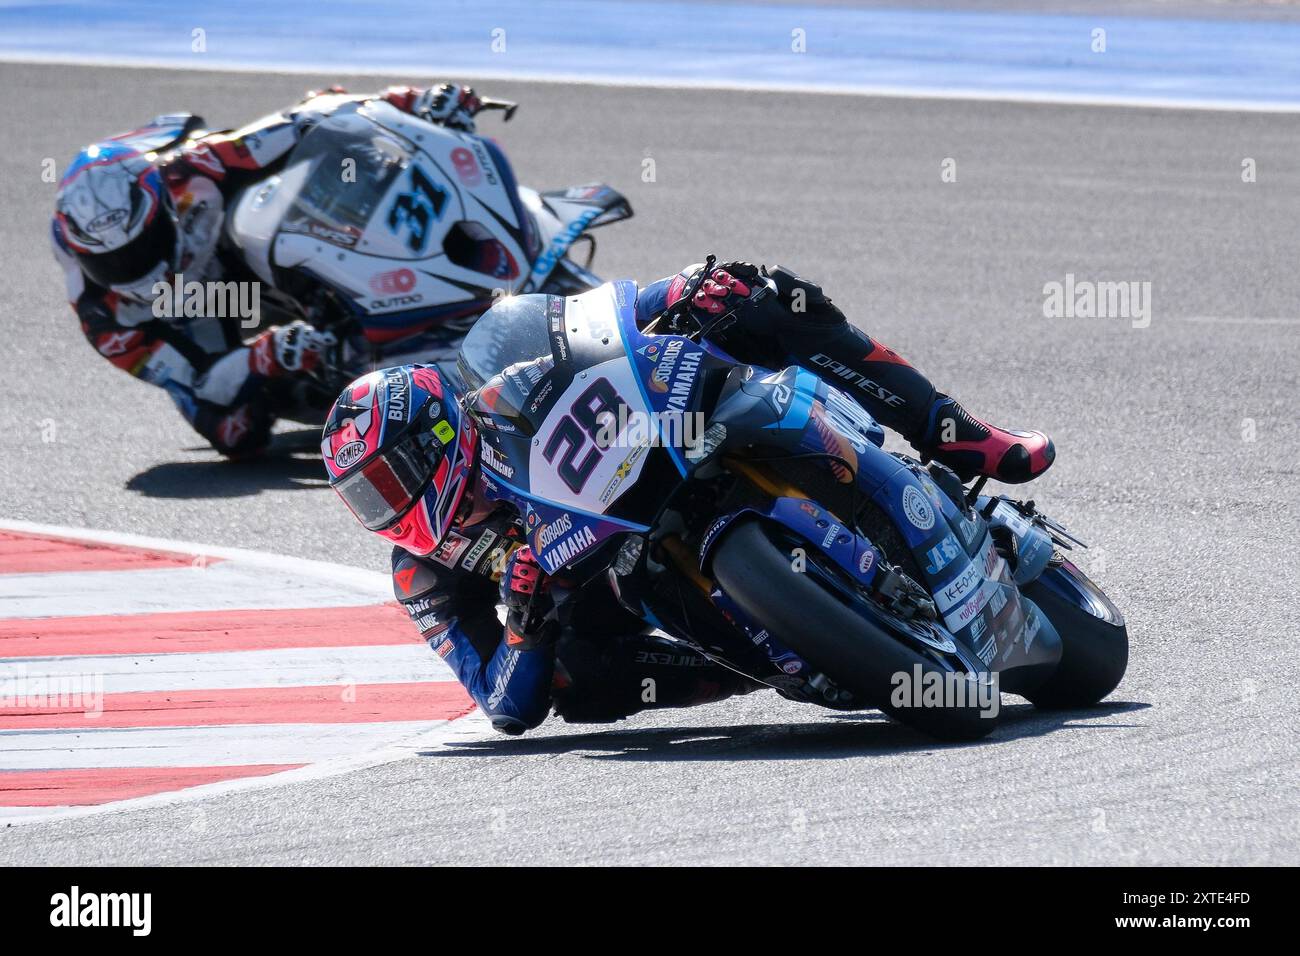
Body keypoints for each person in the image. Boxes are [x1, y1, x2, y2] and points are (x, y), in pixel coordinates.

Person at [322, 261, 1055, 735]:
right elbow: (505, 706)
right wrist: (523, 623)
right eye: (366, 499)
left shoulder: (498, 386)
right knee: (578, 684)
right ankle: (765, 662)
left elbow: (596, 323)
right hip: (618, 571)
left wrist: (683, 292)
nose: (389, 509)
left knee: (769, 297)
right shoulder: (425, 572)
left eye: (386, 481)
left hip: (658, 442)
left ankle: (959, 433)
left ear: (439, 435)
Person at [51, 82, 485, 456]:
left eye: (139, 247)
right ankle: (341, 369)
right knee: (235, 433)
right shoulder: (105, 321)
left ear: (160, 205)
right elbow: (197, 383)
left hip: (240, 252)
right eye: (110, 261)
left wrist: (414, 101)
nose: (132, 267)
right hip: (199, 311)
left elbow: (302, 118)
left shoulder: (192, 168)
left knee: (331, 158)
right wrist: (267, 355)